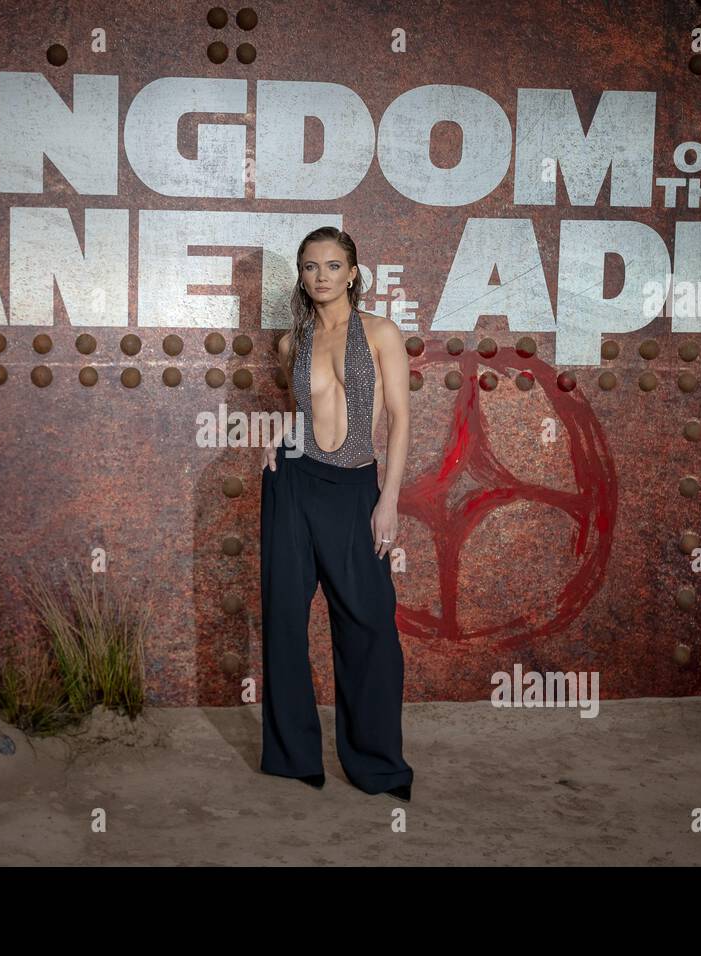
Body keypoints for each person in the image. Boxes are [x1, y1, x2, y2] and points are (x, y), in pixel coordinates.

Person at [258, 226, 414, 801]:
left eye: (331, 265)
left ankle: (376, 763)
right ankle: (293, 756)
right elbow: (305, 411)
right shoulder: (289, 344)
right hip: (294, 486)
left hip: (355, 489)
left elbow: (398, 419)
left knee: (369, 625)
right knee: (283, 620)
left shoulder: (380, 333)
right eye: (309, 267)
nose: (320, 276)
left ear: (353, 272)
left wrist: (389, 499)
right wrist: (281, 445)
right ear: (301, 277)